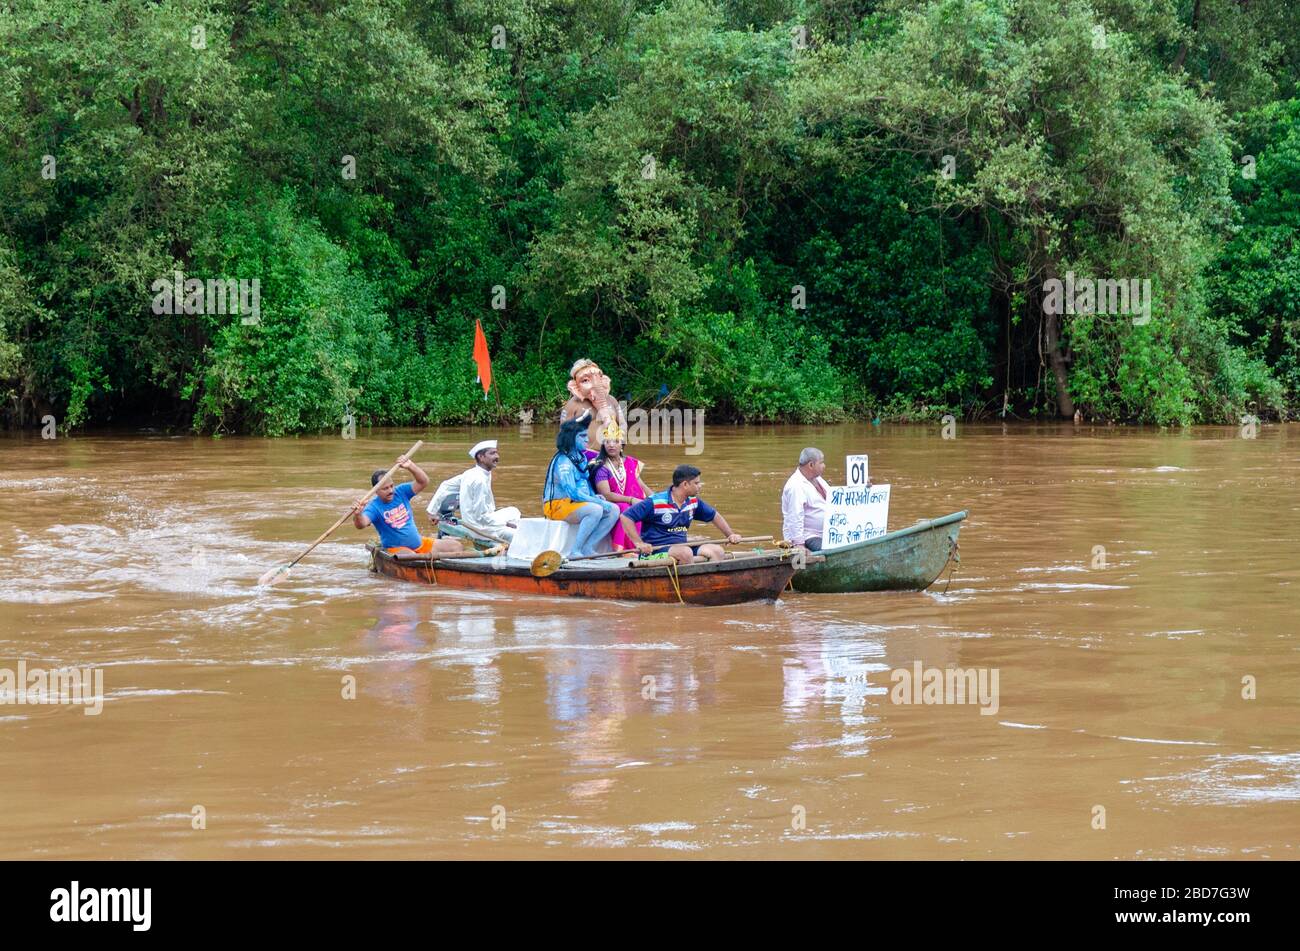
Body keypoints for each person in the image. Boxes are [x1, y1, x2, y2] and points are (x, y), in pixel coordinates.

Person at [620, 464, 742, 565]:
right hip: (655, 552)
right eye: (696, 483)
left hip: (683, 546)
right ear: (685, 484)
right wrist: (639, 543)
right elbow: (625, 517)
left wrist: (730, 535)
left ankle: (711, 584)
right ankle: (691, 587)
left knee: (717, 551)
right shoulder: (655, 502)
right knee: (685, 553)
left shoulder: (693, 501)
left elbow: (714, 516)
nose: (700, 486)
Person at [353, 455, 464, 555]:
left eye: (391, 486)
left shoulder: (400, 491)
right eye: (385, 488)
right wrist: (358, 514)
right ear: (375, 491)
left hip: (419, 543)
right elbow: (361, 524)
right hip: (396, 549)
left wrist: (410, 466)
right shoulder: (374, 507)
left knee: (456, 546)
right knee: (412, 556)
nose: (391, 490)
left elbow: (423, 482)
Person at [542, 418, 620, 557]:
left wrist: (594, 495)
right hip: (556, 505)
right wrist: (598, 502)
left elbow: (585, 482)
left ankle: (588, 548)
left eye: (586, 435)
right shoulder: (563, 461)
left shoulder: (582, 457)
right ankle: (574, 551)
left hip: (576, 503)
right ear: (571, 438)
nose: (587, 439)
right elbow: (572, 492)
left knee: (614, 509)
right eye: (582, 436)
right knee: (595, 509)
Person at [427, 439, 521, 545]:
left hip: (476, 522)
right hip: (479, 529)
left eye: (496, 452)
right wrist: (504, 523)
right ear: (481, 457)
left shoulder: (471, 473)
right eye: (492, 453)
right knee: (518, 534)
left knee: (514, 511)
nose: (497, 456)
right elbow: (481, 517)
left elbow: (445, 485)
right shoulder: (479, 480)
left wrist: (432, 512)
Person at [780, 447, 870, 550]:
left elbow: (836, 498)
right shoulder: (795, 486)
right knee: (834, 551)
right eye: (821, 462)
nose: (824, 466)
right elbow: (795, 517)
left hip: (829, 533)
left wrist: (861, 488)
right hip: (809, 536)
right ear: (811, 465)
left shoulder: (817, 479)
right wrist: (799, 544)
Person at [588, 428, 650, 551]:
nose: (611, 445)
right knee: (626, 508)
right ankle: (624, 550)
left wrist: (658, 499)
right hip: (611, 503)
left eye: (615, 441)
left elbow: (641, 485)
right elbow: (606, 494)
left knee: (647, 506)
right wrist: (631, 499)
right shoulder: (600, 465)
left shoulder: (630, 462)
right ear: (603, 444)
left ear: (622, 444)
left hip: (629, 501)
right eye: (607, 442)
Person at [560, 358, 627, 447]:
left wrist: (620, 438)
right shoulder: (573, 405)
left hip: (609, 453)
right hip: (585, 455)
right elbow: (564, 432)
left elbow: (623, 423)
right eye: (585, 380)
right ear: (576, 387)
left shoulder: (612, 400)